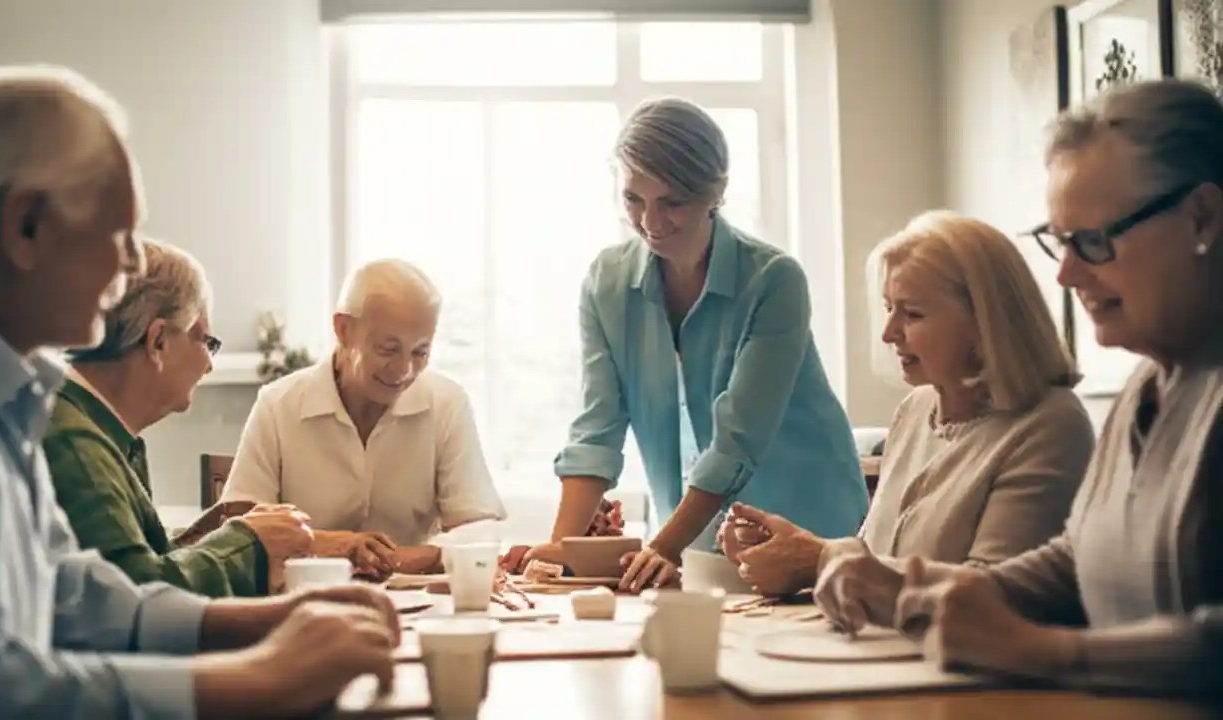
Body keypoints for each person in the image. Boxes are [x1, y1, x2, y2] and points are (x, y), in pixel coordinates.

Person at [0, 65, 397, 718]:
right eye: (120, 232)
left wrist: (274, 618)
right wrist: (260, 678)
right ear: (26, 227)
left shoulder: (5, 399)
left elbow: (76, 594)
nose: (132, 263)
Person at [815, 79, 1223, 697]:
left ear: (1202, 218)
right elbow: (1075, 560)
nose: (1066, 272)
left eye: (1094, 240)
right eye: (1061, 241)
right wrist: (906, 588)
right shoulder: (1150, 382)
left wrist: (1050, 652)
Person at [522, 97, 868, 592]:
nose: (650, 222)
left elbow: (737, 439)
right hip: (695, 534)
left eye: (672, 202)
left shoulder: (773, 281)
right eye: (633, 200)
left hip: (808, 521)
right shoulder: (607, 282)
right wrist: (562, 548)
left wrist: (664, 545)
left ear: (716, 191)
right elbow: (596, 430)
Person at [720, 211, 1094, 595]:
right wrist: (784, 552)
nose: (888, 333)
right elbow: (873, 561)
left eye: (912, 313)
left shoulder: (1050, 424)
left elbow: (994, 597)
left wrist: (819, 561)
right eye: (888, 309)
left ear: (984, 321)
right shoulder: (915, 410)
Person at [43, 237, 315, 596]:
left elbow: (134, 560)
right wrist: (250, 543)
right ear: (157, 341)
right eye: (206, 340)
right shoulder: (74, 441)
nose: (209, 364)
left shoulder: (89, 426)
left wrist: (205, 538)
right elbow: (136, 594)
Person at [222, 259, 506, 575]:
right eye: (388, 350)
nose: (404, 370)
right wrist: (329, 546)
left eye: (420, 352)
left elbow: (481, 528)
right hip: (305, 603)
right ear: (344, 330)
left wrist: (407, 559)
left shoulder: (447, 403)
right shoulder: (278, 405)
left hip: (417, 603)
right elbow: (240, 535)